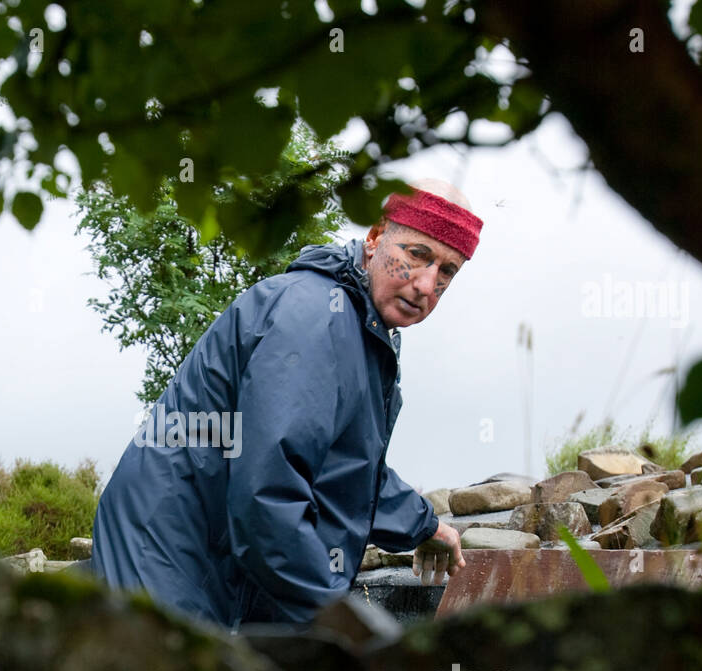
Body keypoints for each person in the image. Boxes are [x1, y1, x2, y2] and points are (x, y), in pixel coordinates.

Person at [91, 179, 480, 629]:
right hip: (168, 547)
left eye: (447, 271)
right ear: (375, 238)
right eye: (416, 255)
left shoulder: (363, 329)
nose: (426, 285)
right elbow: (268, 492)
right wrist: (339, 622)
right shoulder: (314, 317)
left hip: (213, 551)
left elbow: (344, 467)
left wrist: (424, 526)